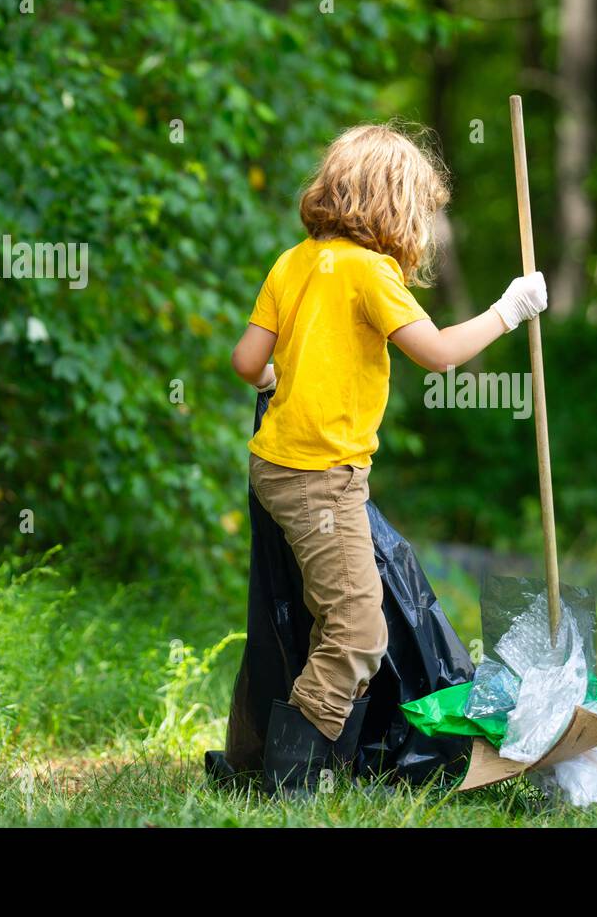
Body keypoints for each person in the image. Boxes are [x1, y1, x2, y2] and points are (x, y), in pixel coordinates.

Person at [230, 124, 547, 790]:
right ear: (391, 205)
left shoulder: (293, 261)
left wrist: (274, 383)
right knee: (357, 633)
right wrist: (509, 310)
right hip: (322, 481)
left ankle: (308, 759)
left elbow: (247, 362)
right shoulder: (369, 271)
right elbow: (438, 355)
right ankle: (294, 781)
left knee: (326, 614)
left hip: (275, 469)